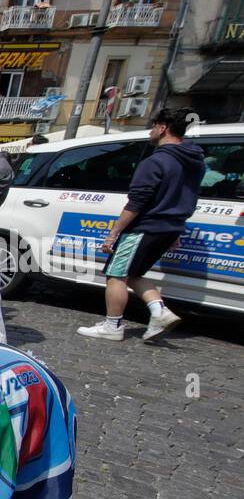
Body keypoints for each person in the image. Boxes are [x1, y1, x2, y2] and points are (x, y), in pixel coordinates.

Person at [77, 107, 205, 343]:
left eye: (153, 126)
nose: (150, 132)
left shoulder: (155, 161)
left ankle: (112, 325)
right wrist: (176, 228)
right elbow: (189, 197)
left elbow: (136, 202)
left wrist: (113, 233)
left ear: (163, 127)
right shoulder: (196, 162)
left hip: (145, 226)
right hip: (171, 227)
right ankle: (159, 312)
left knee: (116, 274)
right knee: (133, 273)